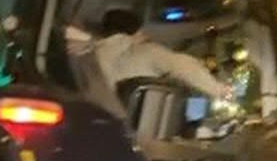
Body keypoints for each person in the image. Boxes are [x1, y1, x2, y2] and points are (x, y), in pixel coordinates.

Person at [67, 8, 230, 101]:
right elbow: (184, 67)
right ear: (136, 32)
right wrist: (220, 91)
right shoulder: (147, 52)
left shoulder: (89, 52)